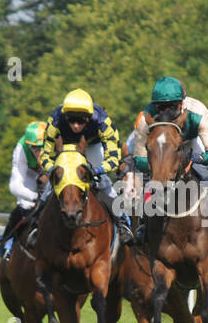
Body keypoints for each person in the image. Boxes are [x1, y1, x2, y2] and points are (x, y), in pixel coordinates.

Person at [129, 76, 208, 230]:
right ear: (154, 105)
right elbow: (139, 159)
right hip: (163, 149)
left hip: (190, 143)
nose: (166, 112)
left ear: (182, 103)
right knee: (152, 180)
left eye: (172, 107)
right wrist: (158, 167)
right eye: (161, 107)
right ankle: (143, 223)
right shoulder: (145, 118)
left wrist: (199, 159)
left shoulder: (198, 111)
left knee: (205, 172)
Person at [31, 88, 134, 246]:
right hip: (65, 147)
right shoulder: (55, 120)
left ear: (90, 117)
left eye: (81, 121)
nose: (76, 126)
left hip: (93, 146)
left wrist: (97, 170)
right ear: (65, 116)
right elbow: (45, 155)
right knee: (52, 185)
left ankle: (122, 222)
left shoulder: (103, 122)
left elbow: (114, 157)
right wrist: (53, 170)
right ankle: (36, 224)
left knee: (103, 182)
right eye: (71, 120)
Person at [0, 120, 45, 261]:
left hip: (50, 173)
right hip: (30, 174)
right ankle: (7, 242)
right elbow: (15, 186)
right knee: (25, 205)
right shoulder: (21, 148)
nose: (37, 154)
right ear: (27, 144)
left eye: (41, 148)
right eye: (34, 149)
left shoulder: (56, 144)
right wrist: (35, 197)